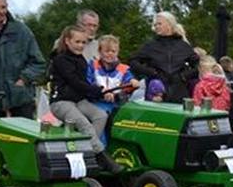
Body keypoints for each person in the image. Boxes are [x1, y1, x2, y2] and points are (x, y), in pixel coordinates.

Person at [47, 25, 121, 173]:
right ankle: (103, 158)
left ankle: (87, 152)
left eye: (83, 43)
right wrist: (99, 90)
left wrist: (102, 93)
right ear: (67, 41)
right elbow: (75, 82)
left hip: (78, 101)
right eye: (77, 42)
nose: (81, 46)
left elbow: (86, 83)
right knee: (84, 123)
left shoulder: (81, 60)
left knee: (100, 115)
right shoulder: (60, 60)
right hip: (61, 102)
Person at [131, 12, 198, 104]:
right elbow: (133, 62)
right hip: (156, 92)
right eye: (155, 25)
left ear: (169, 24)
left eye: (159, 24)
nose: (156, 27)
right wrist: (151, 72)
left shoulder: (183, 46)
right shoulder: (150, 46)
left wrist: (184, 76)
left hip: (179, 93)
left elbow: (198, 66)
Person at [88, 35, 139, 115]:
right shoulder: (92, 66)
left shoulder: (124, 69)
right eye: (107, 51)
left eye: (113, 51)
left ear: (117, 52)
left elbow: (128, 80)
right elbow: (89, 81)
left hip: (116, 102)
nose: (110, 54)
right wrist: (102, 92)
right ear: (100, 52)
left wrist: (133, 81)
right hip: (96, 101)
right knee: (103, 114)